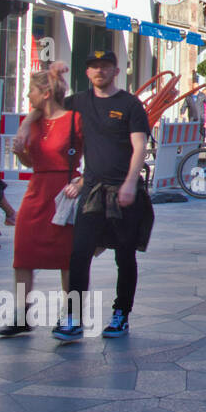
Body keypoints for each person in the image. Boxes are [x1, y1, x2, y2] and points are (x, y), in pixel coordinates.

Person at [48, 52, 153, 341]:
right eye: (93, 66)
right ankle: (73, 317)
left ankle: (121, 314)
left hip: (123, 191)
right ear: (87, 72)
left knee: (125, 255)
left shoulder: (129, 104)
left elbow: (140, 146)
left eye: (104, 67)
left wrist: (131, 183)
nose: (98, 71)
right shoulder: (81, 101)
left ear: (116, 70)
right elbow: (51, 107)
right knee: (79, 254)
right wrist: (55, 76)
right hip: (92, 191)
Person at [0, 66, 81, 337]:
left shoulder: (74, 120)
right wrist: (21, 153)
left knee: (66, 257)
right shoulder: (32, 123)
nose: (26, 96)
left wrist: (81, 182)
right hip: (36, 190)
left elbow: (93, 154)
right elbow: (32, 161)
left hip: (63, 192)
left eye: (31, 91)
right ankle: (21, 315)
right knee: (23, 254)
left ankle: (70, 314)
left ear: (45, 93)